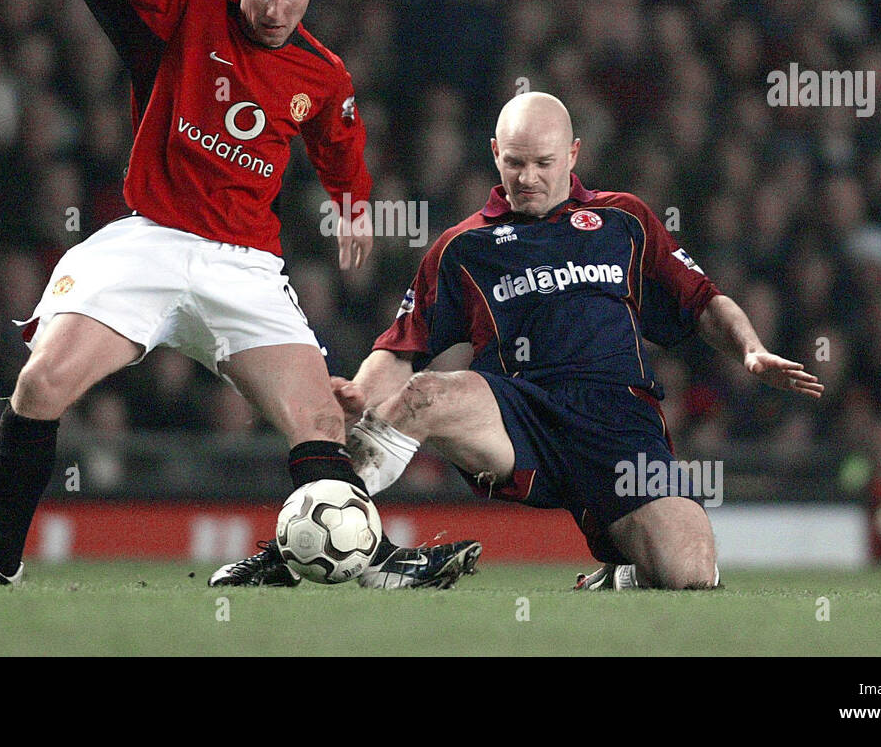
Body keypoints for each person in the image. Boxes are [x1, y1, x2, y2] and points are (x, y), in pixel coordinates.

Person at [0, 0, 478, 588]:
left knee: (322, 421)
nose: (275, 9)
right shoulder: (189, 6)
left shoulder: (323, 74)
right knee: (42, 383)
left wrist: (352, 203)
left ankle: (349, 564)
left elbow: (340, 146)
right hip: (149, 241)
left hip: (243, 265)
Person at [216, 91, 822, 589]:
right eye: (514, 163)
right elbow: (405, 345)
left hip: (619, 422)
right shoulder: (462, 247)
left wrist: (749, 349)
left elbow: (703, 299)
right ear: (494, 155)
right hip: (516, 411)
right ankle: (305, 545)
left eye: (542, 163)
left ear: (574, 153)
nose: (527, 178)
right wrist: (360, 394)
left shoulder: (624, 220)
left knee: (690, 573)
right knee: (426, 396)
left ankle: (618, 576)